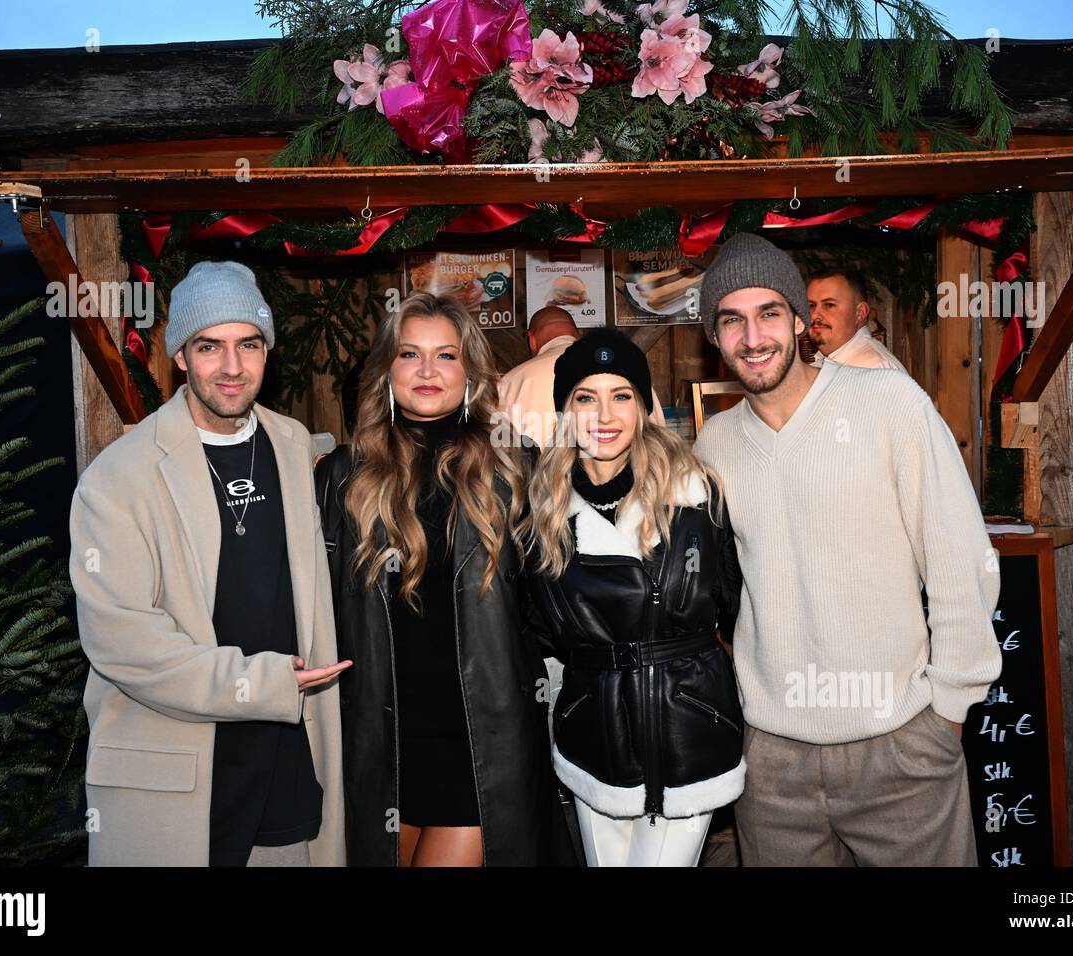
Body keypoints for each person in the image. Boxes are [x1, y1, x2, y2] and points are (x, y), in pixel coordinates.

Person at [694, 234, 1002, 866]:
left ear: (801, 320)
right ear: (714, 337)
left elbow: (959, 558)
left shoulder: (889, 404)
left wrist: (949, 710)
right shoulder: (715, 446)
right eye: (731, 320)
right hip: (772, 763)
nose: (753, 337)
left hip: (900, 746)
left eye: (769, 313)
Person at [69, 260, 349, 866]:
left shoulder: (294, 443)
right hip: (177, 771)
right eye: (209, 346)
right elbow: (124, 646)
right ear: (179, 356)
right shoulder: (117, 478)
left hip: (284, 764)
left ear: (266, 351)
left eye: (249, 344)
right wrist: (266, 684)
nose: (231, 367)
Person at [314, 291, 566, 866]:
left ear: (471, 371)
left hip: (480, 739)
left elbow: (552, 602)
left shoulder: (514, 462)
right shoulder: (342, 473)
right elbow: (318, 604)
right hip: (384, 740)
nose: (428, 371)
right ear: (386, 370)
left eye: (446, 356)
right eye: (410, 354)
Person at [523, 328, 744, 867]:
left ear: (644, 407)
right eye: (585, 398)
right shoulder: (541, 512)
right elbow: (539, 631)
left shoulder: (696, 495)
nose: (604, 416)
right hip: (593, 737)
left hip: (689, 730)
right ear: (565, 411)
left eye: (621, 395)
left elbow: (734, 604)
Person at [498, 306, 666, 448]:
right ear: (578, 334)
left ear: (531, 340)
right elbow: (658, 437)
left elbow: (499, 447)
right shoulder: (626, 370)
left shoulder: (510, 383)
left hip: (537, 483)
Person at [805, 268, 908, 372]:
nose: (814, 315)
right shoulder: (824, 362)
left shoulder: (874, 369)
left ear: (860, 313)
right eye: (812, 305)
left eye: (829, 305)